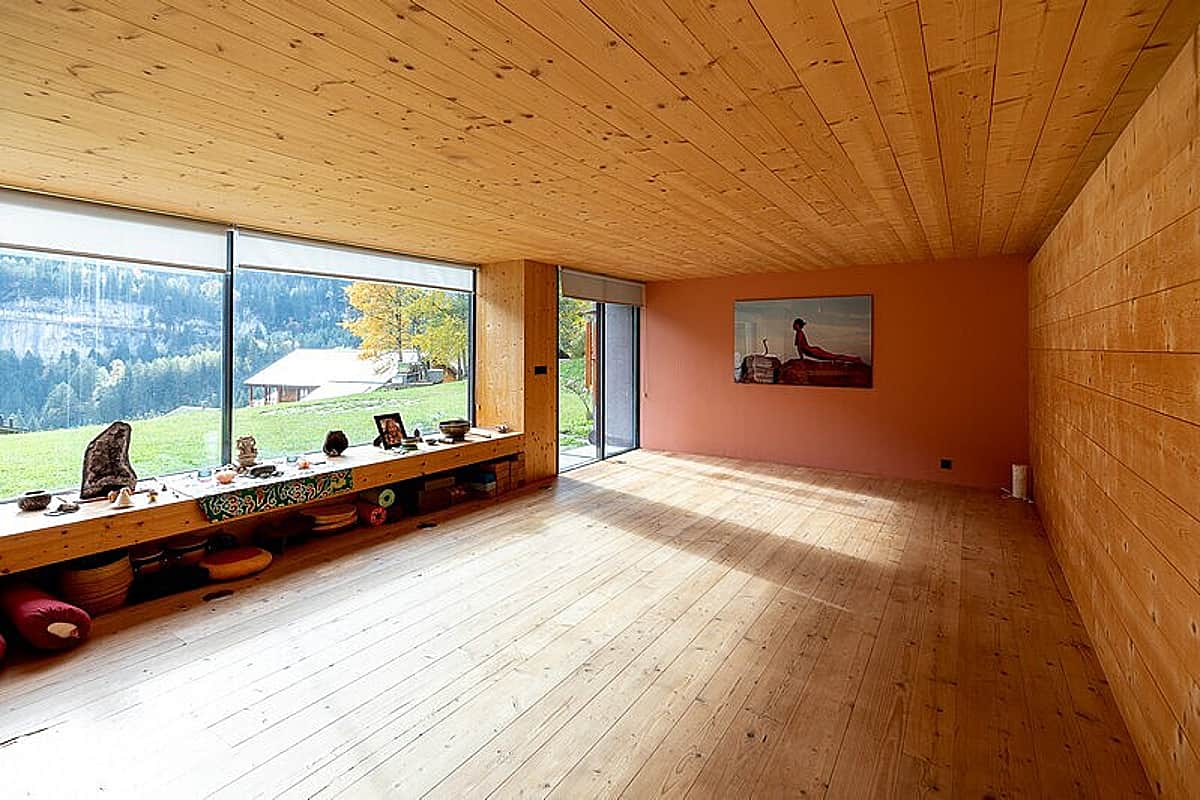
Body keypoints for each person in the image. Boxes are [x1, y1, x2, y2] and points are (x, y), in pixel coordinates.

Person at [793, 318, 864, 364]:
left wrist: (801, 359)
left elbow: (799, 346)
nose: (793, 325)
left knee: (833, 357)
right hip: (812, 351)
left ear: (798, 325)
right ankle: (854, 359)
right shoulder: (799, 333)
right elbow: (800, 347)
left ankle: (855, 359)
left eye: (795, 324)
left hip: (812, 351)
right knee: (833, 356)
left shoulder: (799, 333)